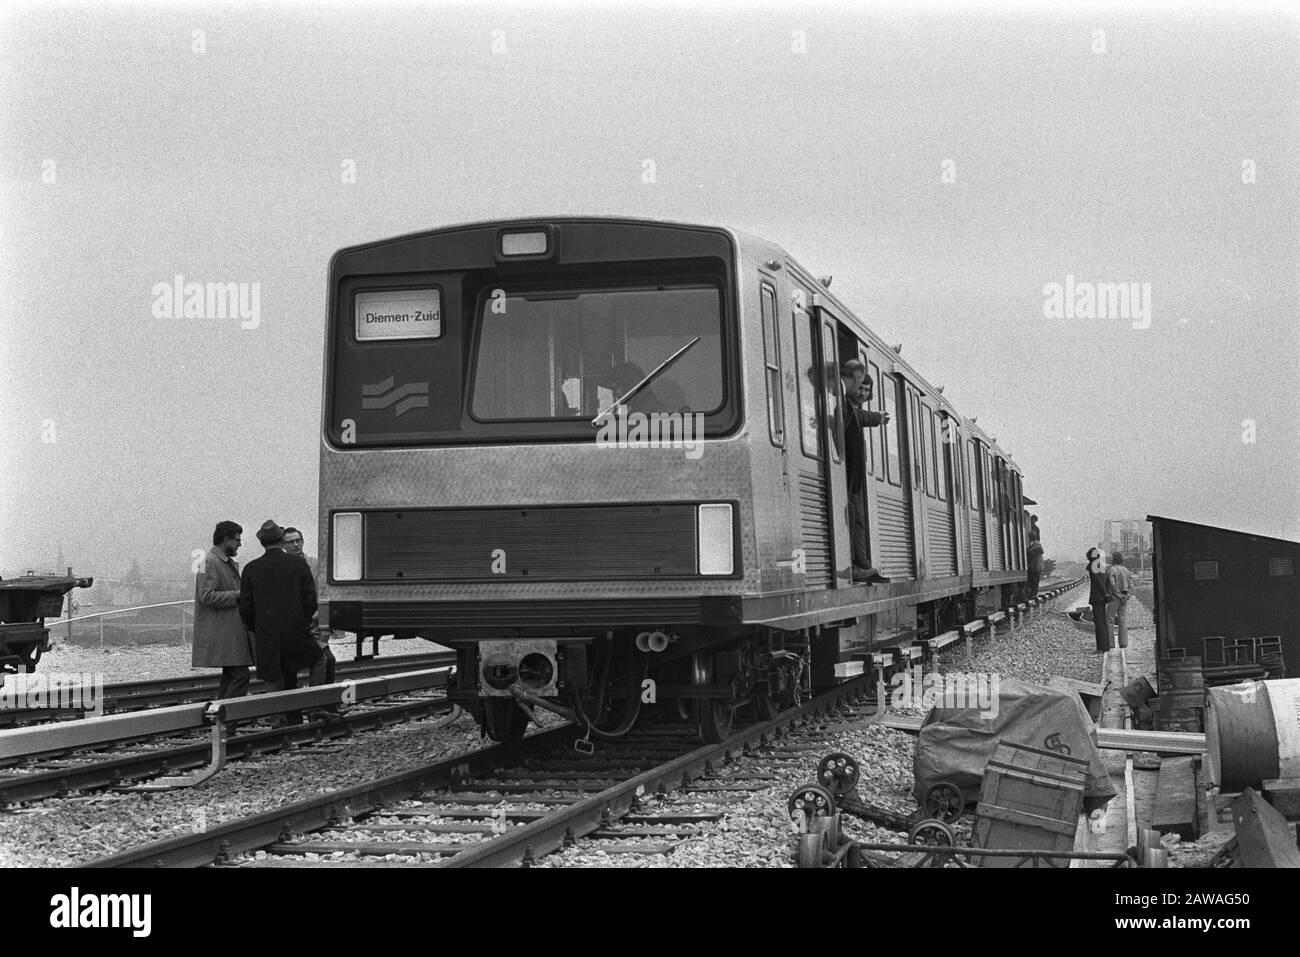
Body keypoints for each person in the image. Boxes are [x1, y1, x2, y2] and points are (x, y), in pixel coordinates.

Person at [238, 520, 320, 724]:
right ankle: (315, 707)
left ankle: (278, 721)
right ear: (281, 541)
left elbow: (246, 608)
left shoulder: (251, 569)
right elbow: (310, 599)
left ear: (262, 543)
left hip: (266, 633)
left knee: (273, 675)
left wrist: (256, 627)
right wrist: (305, 621)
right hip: (296, 630)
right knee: (319, 661)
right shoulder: (298, 564)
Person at [839, 359, 890, 584]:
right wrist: (875, 418)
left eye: (866, 390)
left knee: (857, 520)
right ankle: (857, 565)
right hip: (847, 476)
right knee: (853, 520)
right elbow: (853, 418)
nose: (862, 393)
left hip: (854, 477)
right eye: (860, 387)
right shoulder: (843, 406)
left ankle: (862, 564)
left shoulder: (852, 408)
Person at [191, 521, 254, 699]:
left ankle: (220, 719)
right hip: (223, 632)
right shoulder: (208, 561)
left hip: (228, 632)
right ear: (226, 539)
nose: (239, 544)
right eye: (236, 540)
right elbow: (207, 596)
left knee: (232, 675)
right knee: (240, 675)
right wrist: (238, 595)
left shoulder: (218, 561)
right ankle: (228, 719)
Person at [284, 526, 336, 687]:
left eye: (298, 540)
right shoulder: (282, 567)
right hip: (291, 627)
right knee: (290, 667)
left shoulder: (315, 565)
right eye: (290, 542)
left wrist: (325, 626)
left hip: (313, 626)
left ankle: (325, 704)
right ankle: (294, 708)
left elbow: (325, 594)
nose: (295, 545)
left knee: (328, 660)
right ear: (284, 546)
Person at [1086, 547, 1116, 653]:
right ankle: (1106, 645)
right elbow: (1107, 582)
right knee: (1102, 621)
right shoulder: (1101, 566)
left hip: (1097, 597)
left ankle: (1102, 647)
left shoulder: (1093, 567)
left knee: (1099, 622)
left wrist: (1105, 593)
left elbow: (1098, 583)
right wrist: (1107, 594)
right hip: (1102, 598)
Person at [1106, 552, 1135, 649]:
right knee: (1122, 620)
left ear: (1114, 559)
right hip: (1124, 598)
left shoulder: (1111, 570)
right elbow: (1131, 586)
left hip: (1114, 598)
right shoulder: (1126, 570)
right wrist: (1126, 596)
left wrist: (1118, 595)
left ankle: (1110, 643)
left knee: (1110, 619)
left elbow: (1113, 585)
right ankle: (1123, 643)